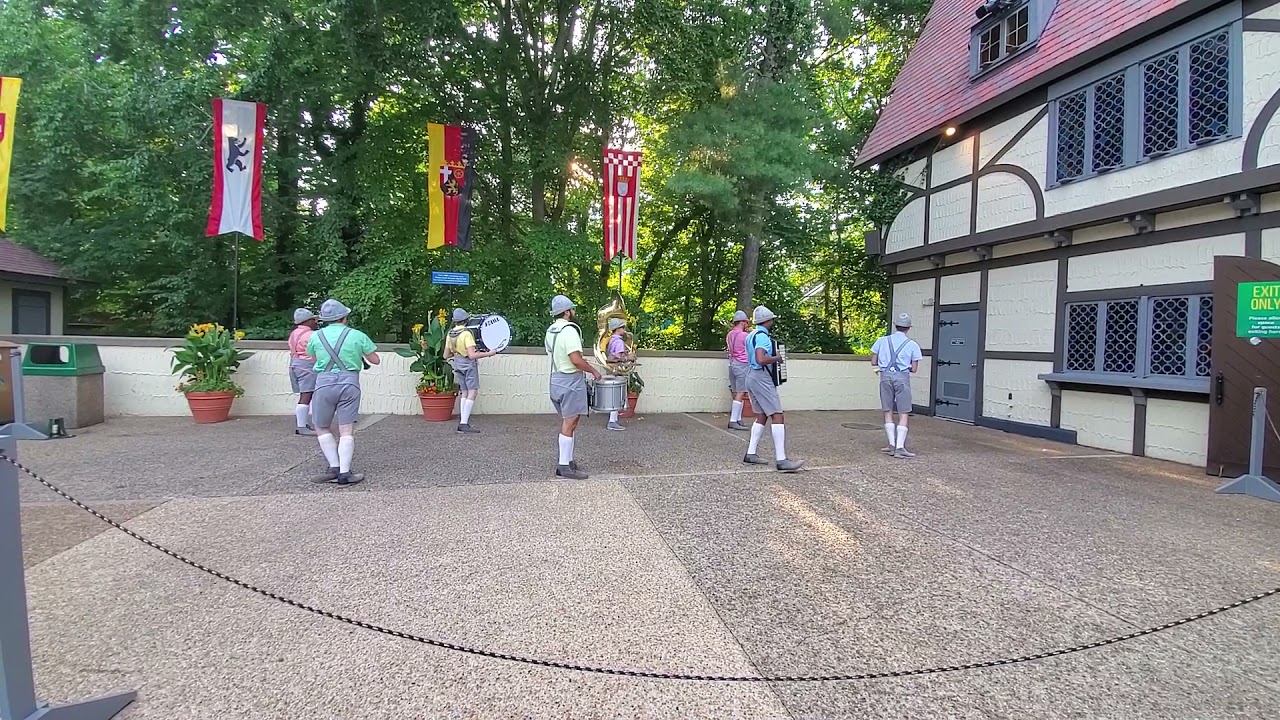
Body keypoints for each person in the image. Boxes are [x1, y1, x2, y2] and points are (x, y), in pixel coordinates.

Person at [306, 298, 380, 485]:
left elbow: (313, 357)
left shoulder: (315, 336)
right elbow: (375, 360)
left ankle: (333, 466)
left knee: (321, 427)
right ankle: (345, 473)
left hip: (323, 383)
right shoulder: (357, 335)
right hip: (349, 383)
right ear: (344, 317)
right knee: (346, 429)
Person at [545, 294, 601, 480]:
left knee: (571, 421)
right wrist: (593, 370)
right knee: (569, 423)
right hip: (570, 381)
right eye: (572, 309)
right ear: (567, 312)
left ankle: (568, 460)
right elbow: (575, 359)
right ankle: (563, 466)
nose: (574, 312)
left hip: (556, 379)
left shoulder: (551, 330)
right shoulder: (569, 331)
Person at [742, 306, 804, 472]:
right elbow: (760, 359)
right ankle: (782, 460)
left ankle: (751, 453)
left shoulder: (751, 335)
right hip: (761, 377)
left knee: (761, 415)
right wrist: (777, 357)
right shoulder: (763, 338)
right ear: (768, 321)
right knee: (777, 415)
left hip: (751, 376)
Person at [870, 312, 923, 459]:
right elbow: (914, 369)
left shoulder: (881, 341)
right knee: (903, 412)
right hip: (902, 378)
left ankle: (891, 444)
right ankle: (900, 447)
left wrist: (880, 369)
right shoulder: (912, 345)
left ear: (895, 326)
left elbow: (874, 361)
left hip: (885, 378)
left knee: (887, 410)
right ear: (908, 328)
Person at [443, 308, 497, 434]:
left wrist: (457, 353)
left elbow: (446, 355)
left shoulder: (450, 334)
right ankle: (464, 423)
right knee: (472, 392)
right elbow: (472, 355)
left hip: (458, 363)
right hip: (468, 365)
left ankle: (462, 421)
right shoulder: (466, 334)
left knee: (465, 392)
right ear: (466, 320)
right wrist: (489, 353)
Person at [287, 308, 319, 436]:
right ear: (307, 321)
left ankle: (303, 424)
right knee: (306, 395)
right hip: (307, 365)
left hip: (295, 364)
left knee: (304, 394)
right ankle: (301, 426)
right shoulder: (311, 335)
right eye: (313, 319)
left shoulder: (294, 333)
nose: (315, 322)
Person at [604, 317, 634, 431]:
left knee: (614, 394)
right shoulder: (619, 342)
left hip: (612, 370)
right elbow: (619, 358)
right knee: (616, 395)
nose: (624, 329)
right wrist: (629, 357)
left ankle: (614, 420)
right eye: (622, 327)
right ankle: (612, 421)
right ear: (617, 329)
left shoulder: (611, 340)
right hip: (617, 370)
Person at [725, 310, 751, 431]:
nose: (747, 325)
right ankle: (733, 421)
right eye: (746, 322)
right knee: (741, 393)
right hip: (742, 365)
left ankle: (738, 419)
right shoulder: (744, 336)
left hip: (732, 364)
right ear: (742, 322)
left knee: (737, 393)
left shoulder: (730, 334)